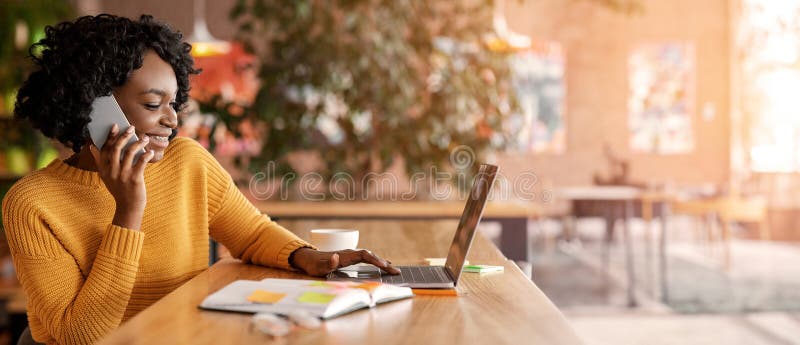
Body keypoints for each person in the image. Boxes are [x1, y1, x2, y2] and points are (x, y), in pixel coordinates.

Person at [1, 14, 399, 344]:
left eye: (174, 103)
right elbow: (80, 336)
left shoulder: (187, 162)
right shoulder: (33, 203)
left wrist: (309, 257)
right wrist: (128, 209)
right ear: (93, 107)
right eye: (153, 104)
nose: (172, 120)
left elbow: (253, 234)